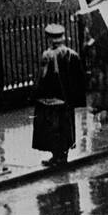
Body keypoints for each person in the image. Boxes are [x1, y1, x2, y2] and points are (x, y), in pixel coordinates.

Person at [31, 24, 85, 167]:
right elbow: (79, 78)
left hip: (52, 98)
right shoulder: (72, 54)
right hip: (67, 98)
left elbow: (42, 77)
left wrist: (36, 93)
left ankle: (56, 156)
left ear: (49, 38)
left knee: (52, 126)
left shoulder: (47, 55)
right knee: (65, 126)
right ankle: (63, 155)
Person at [82, 32, 108, 123]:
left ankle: (104, 108)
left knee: (107, 85)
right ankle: (102, 108)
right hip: (102, 62)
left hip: (107, 61)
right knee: (102, 85)